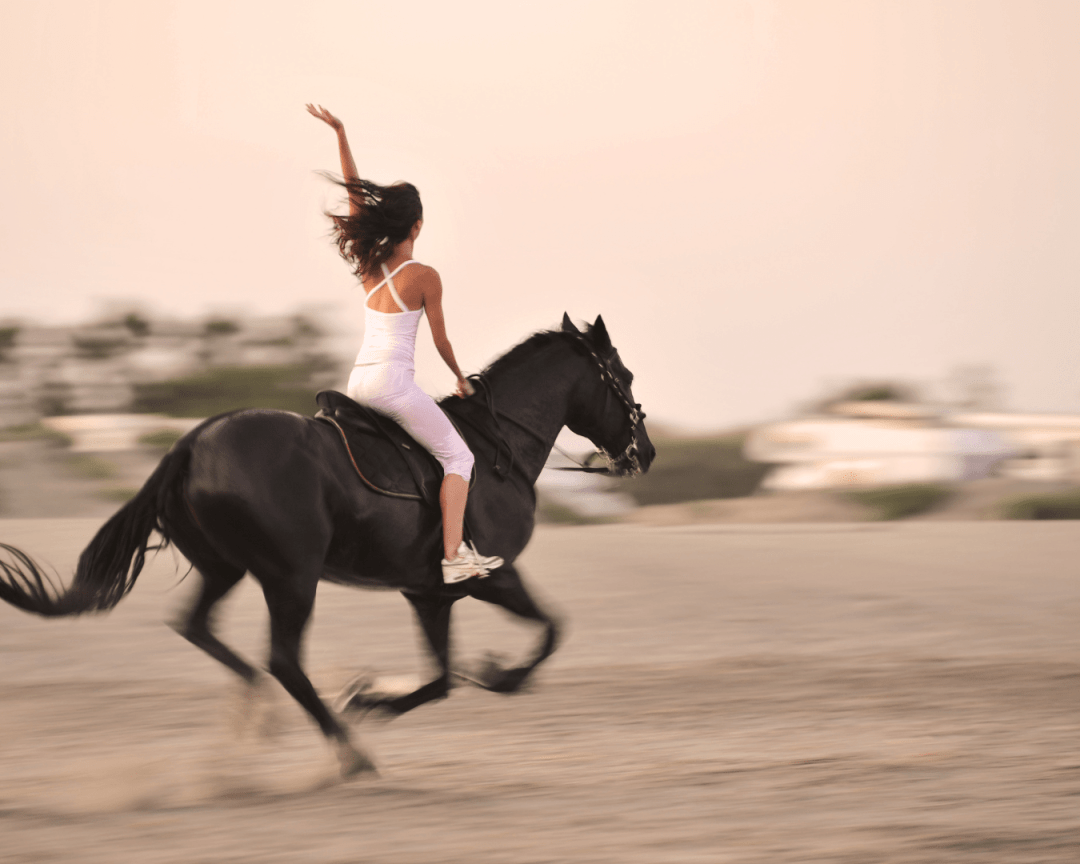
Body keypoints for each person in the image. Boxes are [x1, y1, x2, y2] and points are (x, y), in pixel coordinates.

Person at [307, 103, 503, 584]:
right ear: (416, 227)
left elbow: (356, 197)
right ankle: (454, 557)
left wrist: (340, 132)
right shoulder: (424, 276)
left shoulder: (371, 268)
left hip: (360, 383)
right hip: (393, 385)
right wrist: (461, 380)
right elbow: (440, 339)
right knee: (459, 457)